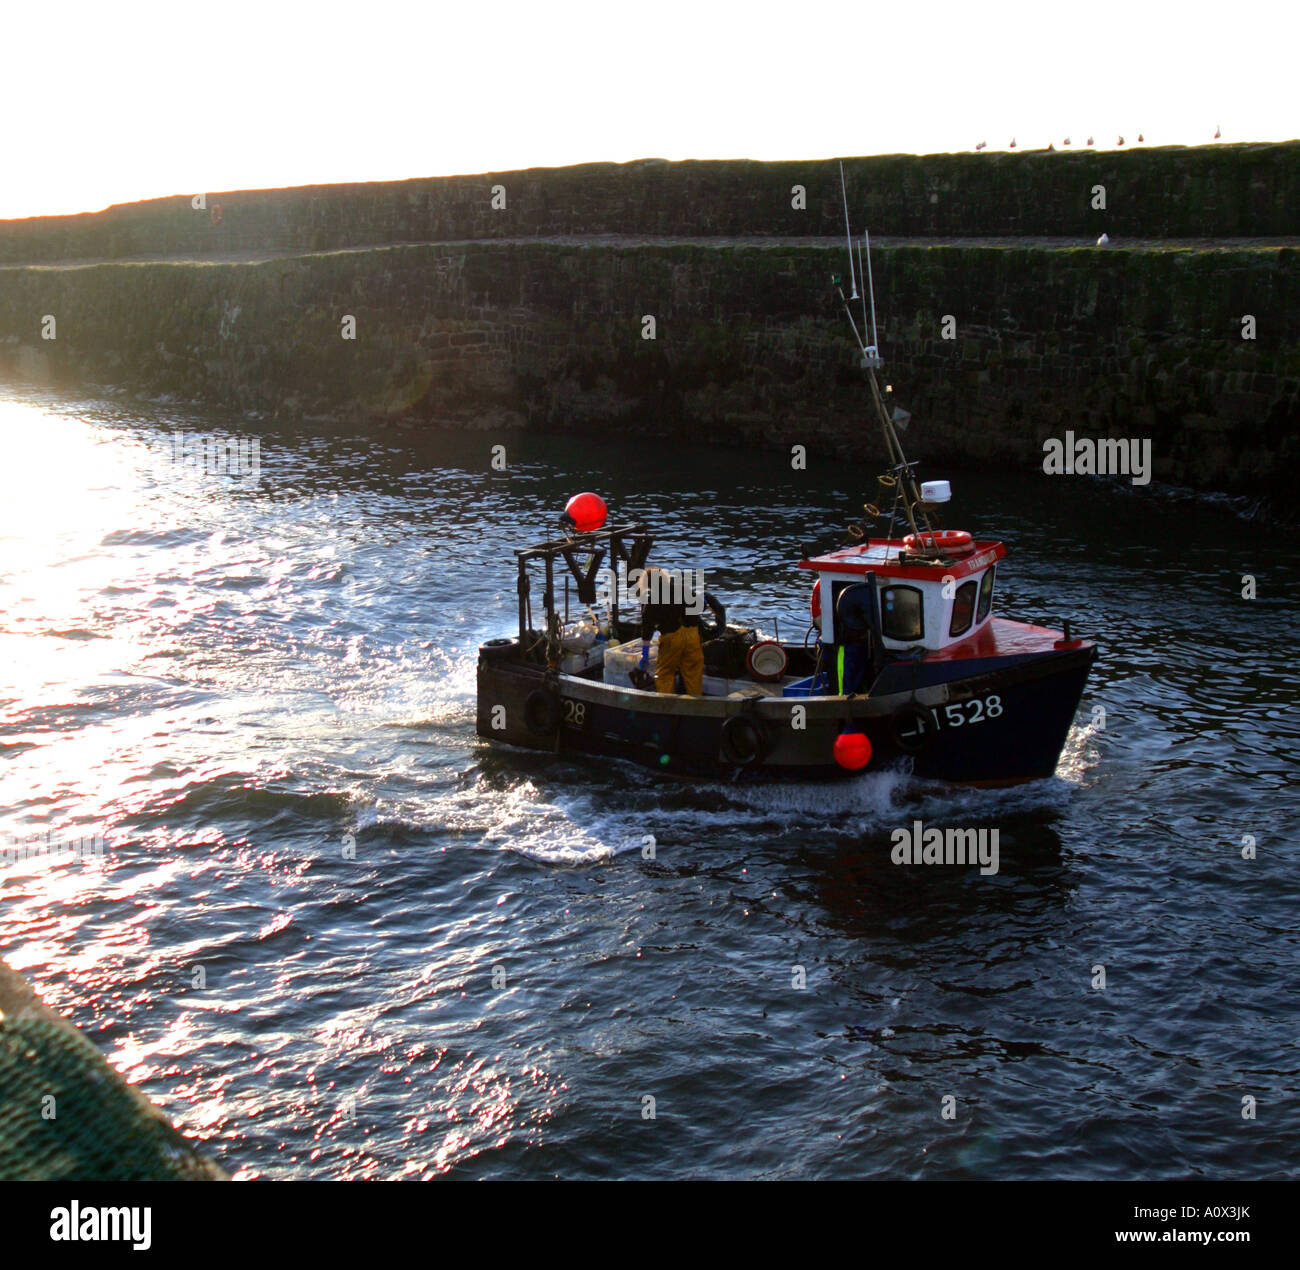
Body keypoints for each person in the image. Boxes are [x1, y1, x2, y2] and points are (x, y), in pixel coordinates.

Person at [635, 567, 704, 696]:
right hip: (692, 635)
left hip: (671, 638)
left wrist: (645, 653)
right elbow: (701, 605)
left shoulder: (651, 600)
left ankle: (667, 705)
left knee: (664, 674)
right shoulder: (683, 589)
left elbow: (647, 628)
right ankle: (696, 705)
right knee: (693, 672)